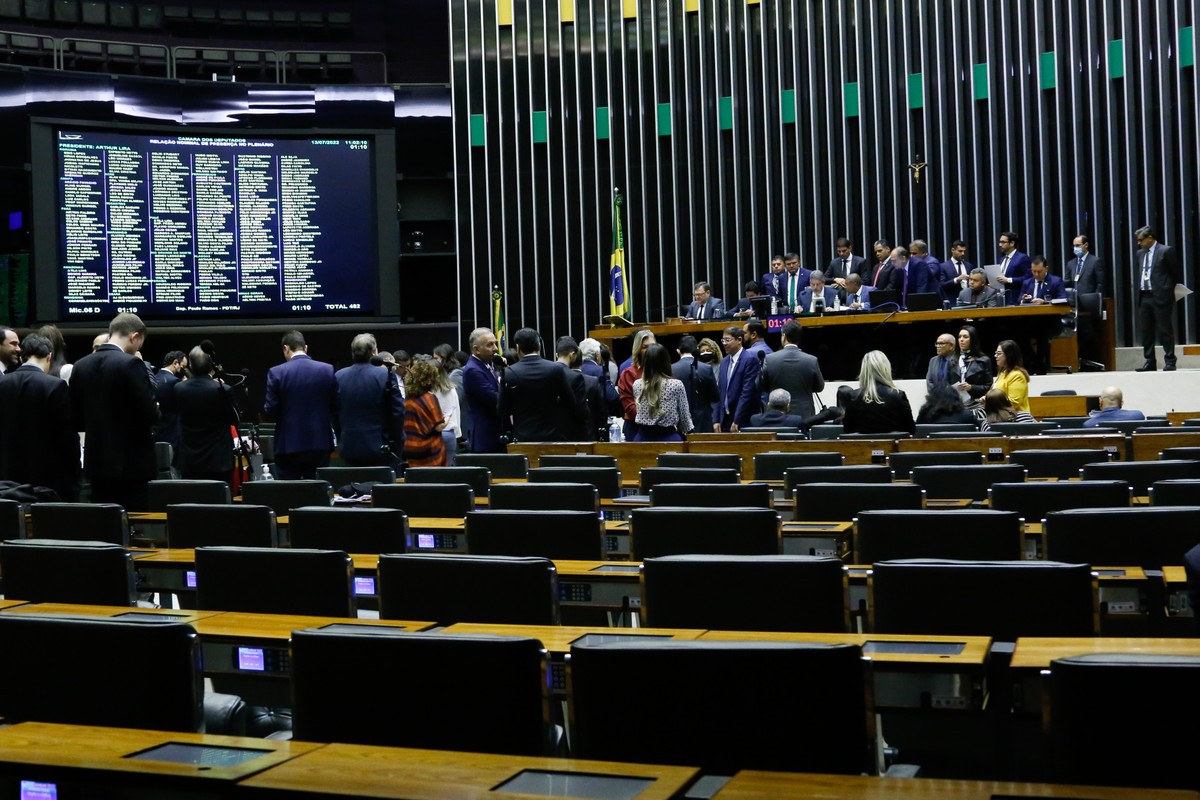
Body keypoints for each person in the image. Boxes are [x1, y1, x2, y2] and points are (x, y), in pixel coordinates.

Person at [69, 313, 159, 509]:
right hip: (132, 464)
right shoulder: (131, 363)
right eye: (140, 343)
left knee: (104, 523)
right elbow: (150, 414)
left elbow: (76, 419)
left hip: (97, 462)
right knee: (135, 524)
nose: (138, 349)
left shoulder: (80, 365)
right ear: (134, 337)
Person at [0, 333, 80, 500]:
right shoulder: (55, 385)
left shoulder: (3, 384)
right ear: (49, 356)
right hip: (47, 479)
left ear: (23, 357)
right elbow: (66, 437)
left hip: (7, 477)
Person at [263, 330, 338, 479]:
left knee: (290, 495)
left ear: (286, 348)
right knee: (318, 493)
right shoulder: (327, 370)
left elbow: (270, 410)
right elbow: (336, 405)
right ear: (306, 348)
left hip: (288, 445)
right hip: (320, 443)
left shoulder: (276, 372)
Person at [498, 327, 584, 443]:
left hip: (522, 437)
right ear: (539, 346)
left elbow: (502, 410)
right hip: (552, 436)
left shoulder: (508, 373)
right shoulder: (555, 369)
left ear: (517, 347)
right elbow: (570, 403)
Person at [334, 333, 405, 469]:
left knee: (352, 487)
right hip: (381, 448)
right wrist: (396, 444)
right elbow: (398, 413)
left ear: (353, 353)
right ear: (374, 352)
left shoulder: (339, 376)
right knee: (381, 489)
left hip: (349, 447)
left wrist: (342, 437)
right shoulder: (385, 375)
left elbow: (334, 414)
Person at [173, 346, 238, 483]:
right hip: (218, 460)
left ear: (190, 365)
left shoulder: (179, 388)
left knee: (192, 502)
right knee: (220, 502)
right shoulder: (222, 389)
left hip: (189, 460)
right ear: (211, 366)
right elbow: (235, 420)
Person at [1134, 225, 1184, 371]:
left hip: (1161, 296)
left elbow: (1176, 273)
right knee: (1146, 331)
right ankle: (1150, 361)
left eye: (1141, 240)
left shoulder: (1165, 251)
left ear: (1150, 238)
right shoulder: (1140, 254)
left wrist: (1167, 289)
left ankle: (1170, 361)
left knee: (1165, 329)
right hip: (1144, 295)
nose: (1139, 243)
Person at [836, 350, 916, 435]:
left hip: (862, 447)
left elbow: (848, 430)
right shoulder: (898, 395)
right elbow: (911, 430)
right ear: (886, 368)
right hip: (893, 447)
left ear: (864, 370)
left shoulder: (853, 396)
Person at [760, 320, 824, 418]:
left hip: (776, 414)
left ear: (784, 336)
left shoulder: (769, 359)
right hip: (804, 414)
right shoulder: (811, 360)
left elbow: (762, 386)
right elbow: (819, 387)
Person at [632, 343, 693, 442]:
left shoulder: (637, 385)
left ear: (645, 362)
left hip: (642, 440)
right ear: (666, 362)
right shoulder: (676, 385)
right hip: (669, 439)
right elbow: (684, 419)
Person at [462, 327, 504, 453]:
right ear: (476, 349)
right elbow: (495, 399)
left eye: (495, 343)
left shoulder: (488, 365)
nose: (495, 348)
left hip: (494, 432)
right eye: (490, 345)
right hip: (486, 436)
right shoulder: (473, 370)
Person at [715, 325, 762, 432]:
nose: (724, 343)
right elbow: (719, 392)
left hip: (741, 420)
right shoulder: (724, 361)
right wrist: (716, 419)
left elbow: (747, 392)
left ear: (739, 340)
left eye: (728, 340)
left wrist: (737, 419)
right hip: (724, 421)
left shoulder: (750, 360)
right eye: (723, 340)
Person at [403, 357, 447, 466]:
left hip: (410, 449)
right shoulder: (429, 398)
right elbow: (438, 426)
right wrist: (447, 418)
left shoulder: (408, 400)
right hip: (429, 451)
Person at [672, 335, 718, 433]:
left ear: (678, 351)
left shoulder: (671, 370)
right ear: (697, 350)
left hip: (678, 424)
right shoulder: (706, 369)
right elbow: (715, 397)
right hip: (703, 423)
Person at [617, 329, 656, 440]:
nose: (649, 350)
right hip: (636, 428)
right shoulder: (629, 373)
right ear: (638, 350)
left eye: (652, 346)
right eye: (645, 347)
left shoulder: (662, 371)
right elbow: (630, 407)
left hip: (659, 428)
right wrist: (654, 420)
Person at [553, 337, 593, 441]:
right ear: (572, 354)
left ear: (556, 355)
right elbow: (581, 410)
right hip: (571, 434)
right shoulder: (575, 377)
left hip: (550, 433)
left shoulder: (545, 373)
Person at [151, 350, 187, 452]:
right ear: (175, 363)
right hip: (172, 432)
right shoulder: (175, 382)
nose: (183, 370)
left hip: (157, 430)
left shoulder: (153, 378)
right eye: (183, 367)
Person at [954, 325, 993, 407]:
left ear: (973, 340)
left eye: (965, 337)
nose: (961, 340)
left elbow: (988, 387)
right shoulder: (953, 359)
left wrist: (971, 387)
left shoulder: (983, 360)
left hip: (977, 403)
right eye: (959, 337)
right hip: (956, 403)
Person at [994, 231, 1032, 307]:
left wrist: (1008, 280)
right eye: (1000, 242)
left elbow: (1028, 278)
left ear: (1012, 243)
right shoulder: (1002, 259)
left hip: (1015, 299)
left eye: (1003, 242)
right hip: (1002, 300)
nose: (1000, 245)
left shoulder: (1022, 258)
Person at [992, 339, 1030, 413]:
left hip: (1016, 420)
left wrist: (992, 402)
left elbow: (1013, 403)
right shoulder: (1002, 373)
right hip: (1001, 416)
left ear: (1009, 355)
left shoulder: (1017, 376)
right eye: (996, 353)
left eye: (999, 353)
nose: (995, 356)